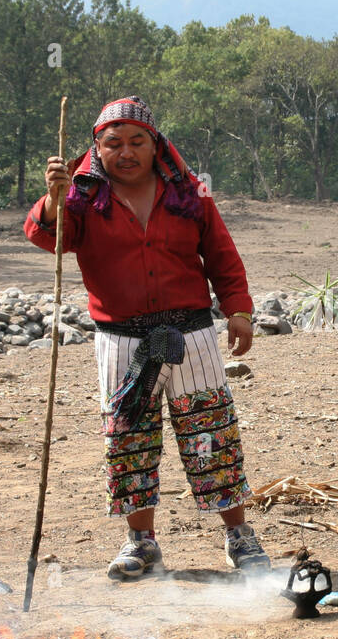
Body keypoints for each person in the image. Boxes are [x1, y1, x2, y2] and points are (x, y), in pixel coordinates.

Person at [25, 95, 269, 581]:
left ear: (156, 145)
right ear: (98, 148)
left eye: (137, 141)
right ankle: (142, 542)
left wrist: (238, 310)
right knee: (129, 440)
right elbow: (46, 236)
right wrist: (53, 201)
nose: (126, 152)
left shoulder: (188, 194)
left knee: (210, 434)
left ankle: (239, 536)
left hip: (192, 335)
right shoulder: (80, 196)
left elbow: (221, 254)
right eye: (113, 143)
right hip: (119, 340)